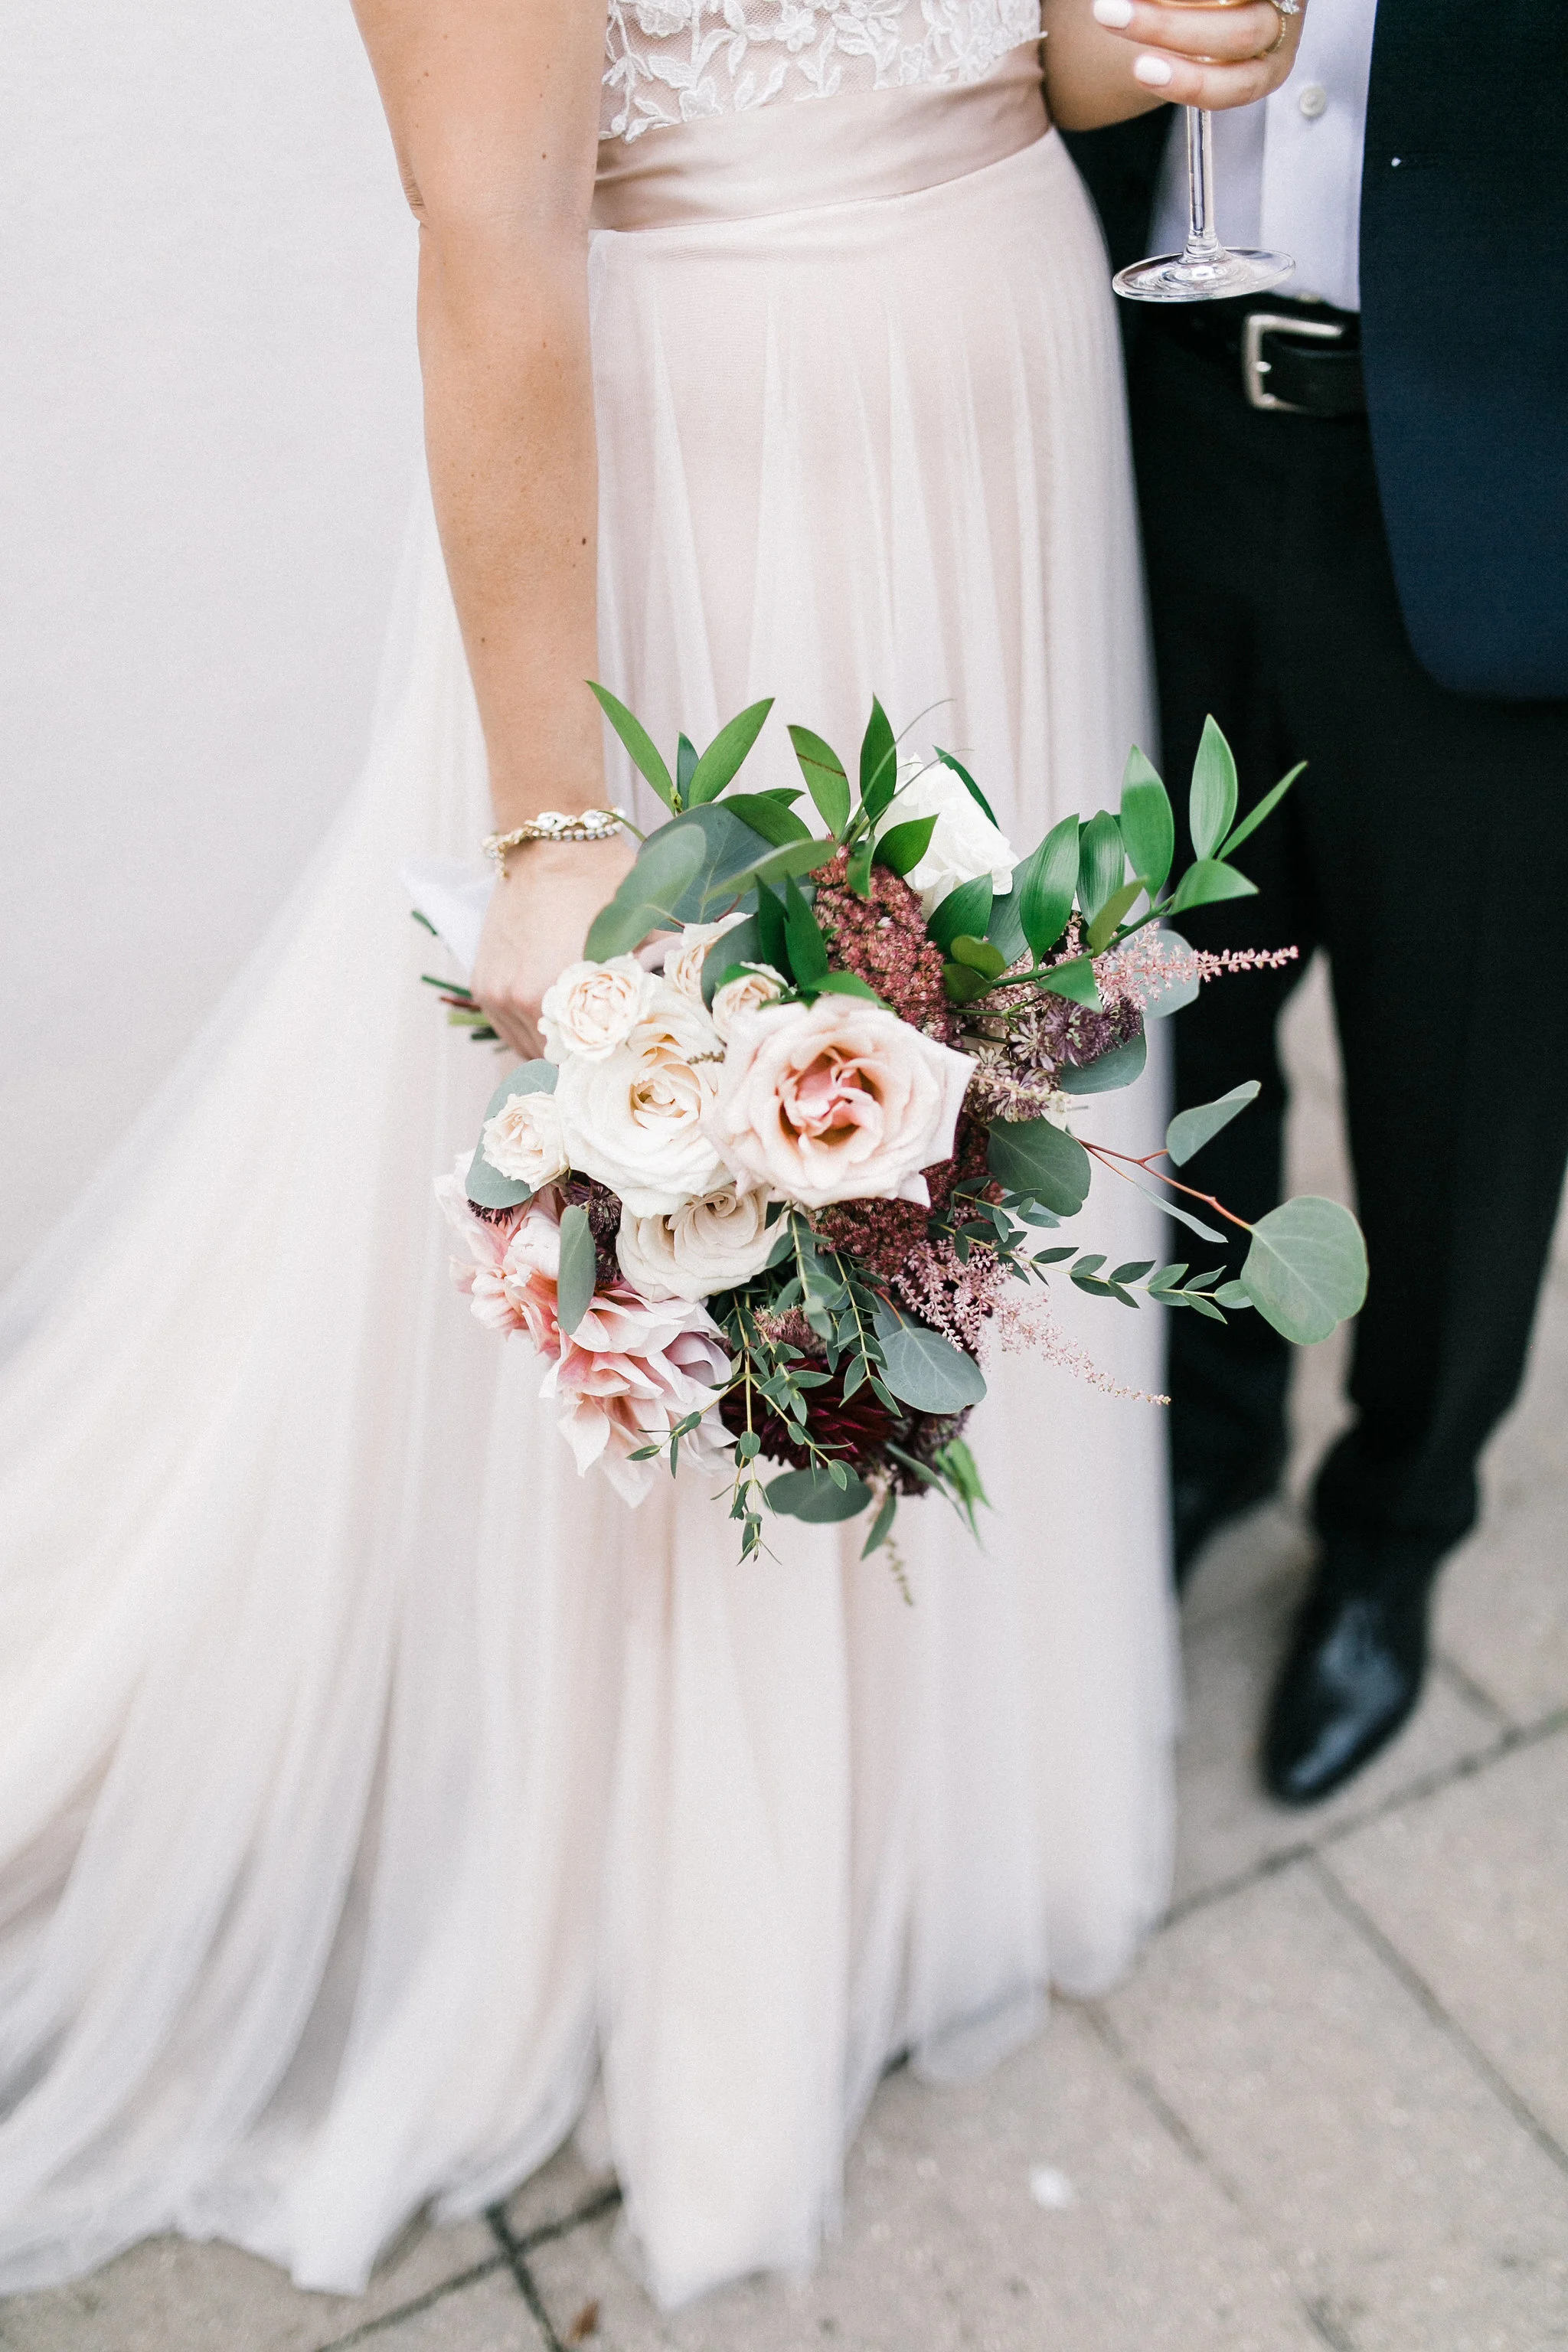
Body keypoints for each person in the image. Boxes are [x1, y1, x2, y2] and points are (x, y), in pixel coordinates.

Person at [0, 0, 1292, 2308]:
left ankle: (932, 1817)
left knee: (967, 1134)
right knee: (742, 1205)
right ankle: (721, 1924)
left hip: (1001, 397)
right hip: (726, 494)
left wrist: (1150, 33)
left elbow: (1004, 54)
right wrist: (557, 823)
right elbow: (489, 235)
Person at [1053, 0, 1568, 1802]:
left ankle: (1395, 1530)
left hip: (1500, 476)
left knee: (1466, 1085)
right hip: (1150, 433)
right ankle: (1213, 1436)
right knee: (1168, 1018)